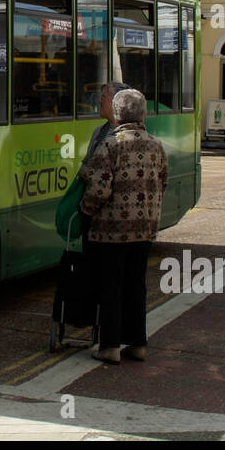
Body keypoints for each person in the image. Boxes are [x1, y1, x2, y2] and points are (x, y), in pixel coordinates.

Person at [80, 89, 168, 364]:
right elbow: (162, 183)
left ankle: (110, 346)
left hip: (111, 230)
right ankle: (137, 343)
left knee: (111, 285)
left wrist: (85, 211)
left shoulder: (111, 145)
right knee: (136, 285)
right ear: (143, 114)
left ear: (117, 115)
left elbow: (98, 188)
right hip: (144, 228)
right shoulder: (156, 145)